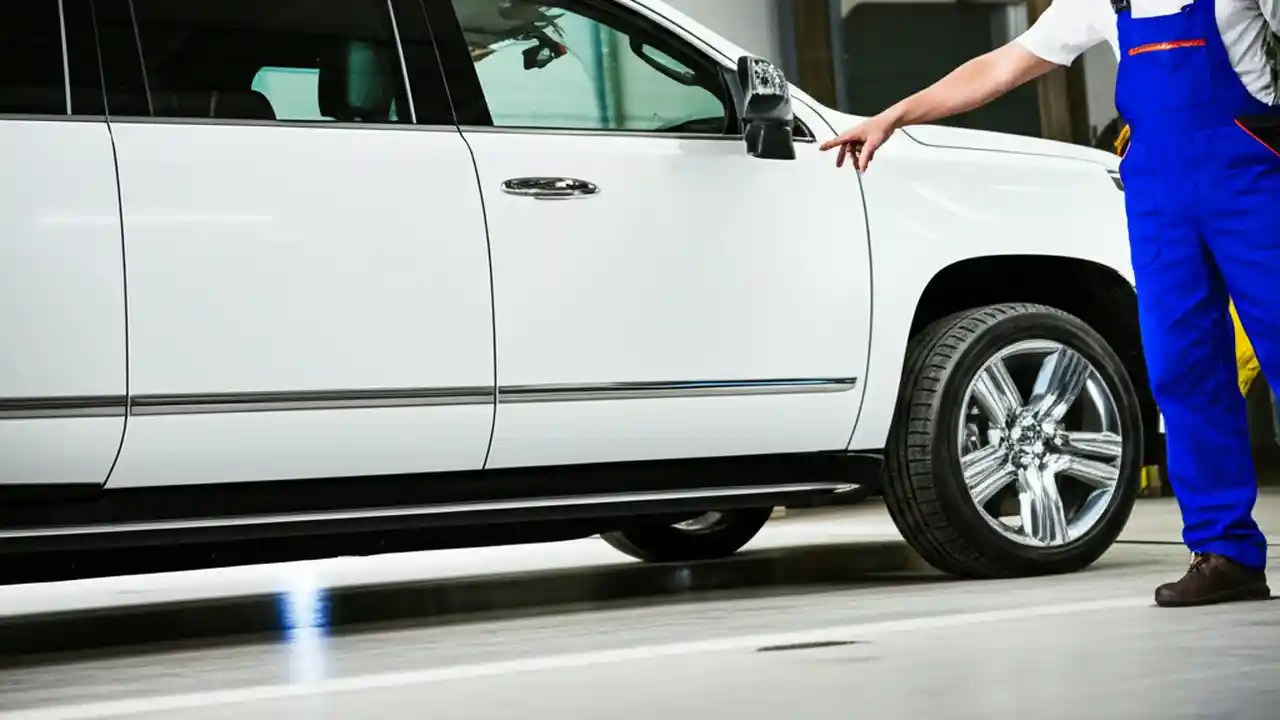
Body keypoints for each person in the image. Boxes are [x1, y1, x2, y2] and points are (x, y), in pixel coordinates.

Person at [822, 0, 1280, 607]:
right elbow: (1004, 66)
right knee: (1182, 369)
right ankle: (1225, 552)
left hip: (1255, 178)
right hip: (1158, 198)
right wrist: (893, 116)